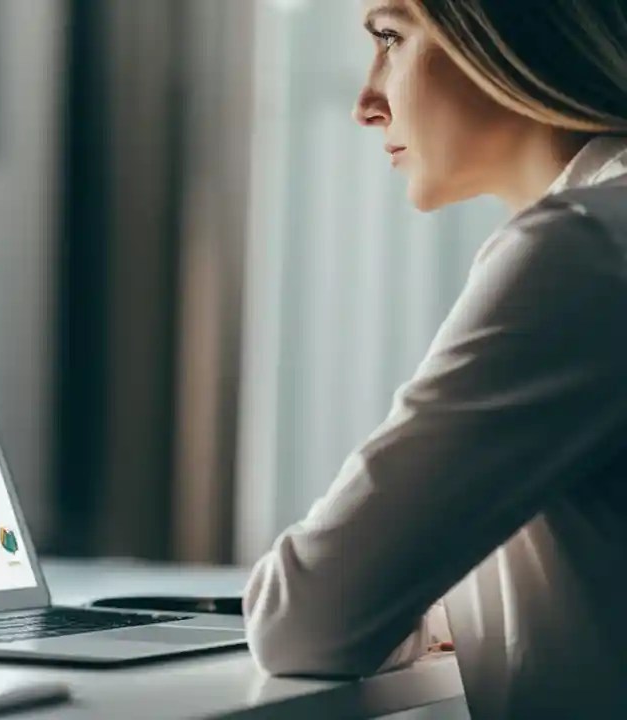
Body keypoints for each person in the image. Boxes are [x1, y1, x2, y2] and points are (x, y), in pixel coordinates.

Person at [242, 1, 627, 717]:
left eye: (391, 38)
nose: (365, 103)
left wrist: (390, 601)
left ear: (507, 32)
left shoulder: (580, 250)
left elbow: (306, 622)